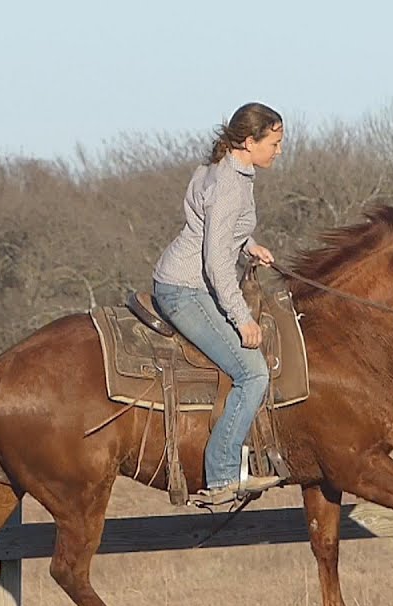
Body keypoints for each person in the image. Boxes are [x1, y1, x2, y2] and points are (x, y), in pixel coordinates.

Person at [151, 102, 285, 504]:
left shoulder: (226, 171)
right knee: (254, 373)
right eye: (274, 143)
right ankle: (224, 475)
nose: (279, 151)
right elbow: (214, 261)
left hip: (186, 279)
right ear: (249, 141)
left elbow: (216, 229)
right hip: (187, 289)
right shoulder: (230, 184)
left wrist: (249, 245)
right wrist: (242, 319)